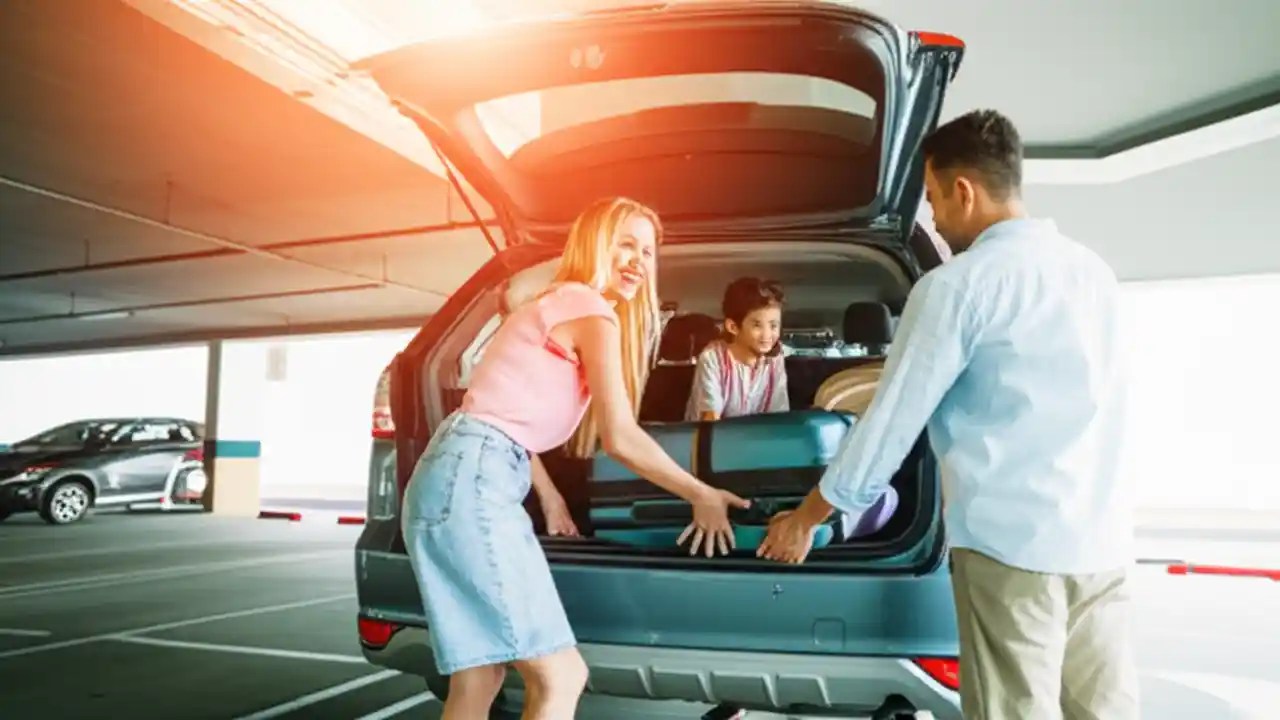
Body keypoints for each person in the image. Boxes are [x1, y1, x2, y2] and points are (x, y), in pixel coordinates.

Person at [757, 110, 1138, 719]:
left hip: (1013, 549)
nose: (933, 216)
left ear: (963, 191)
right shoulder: (1094, 272)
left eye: (933, 198)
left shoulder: (959, 286)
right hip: (1103, 542)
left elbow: (890, 422)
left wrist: (808, 517)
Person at [400, 196, 751, 720]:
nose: (637, 260)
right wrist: (701, 492)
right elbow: (620, 437)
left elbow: (505, 420)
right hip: (475, 478)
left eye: (648, 251)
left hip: (459, 470)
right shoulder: (589, 308)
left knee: (480, 675)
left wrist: (548, 494)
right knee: (562, 676)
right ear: (594, 245)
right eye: (625, 244)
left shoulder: (559, 300)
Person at [685, 277, 790, 421]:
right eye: (757, 325)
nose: (767, 335)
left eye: (773, 326)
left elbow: (779, 414)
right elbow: (710, 418)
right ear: (733, 327)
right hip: (714, 440)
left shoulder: (775, 359)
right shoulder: (713, 358)